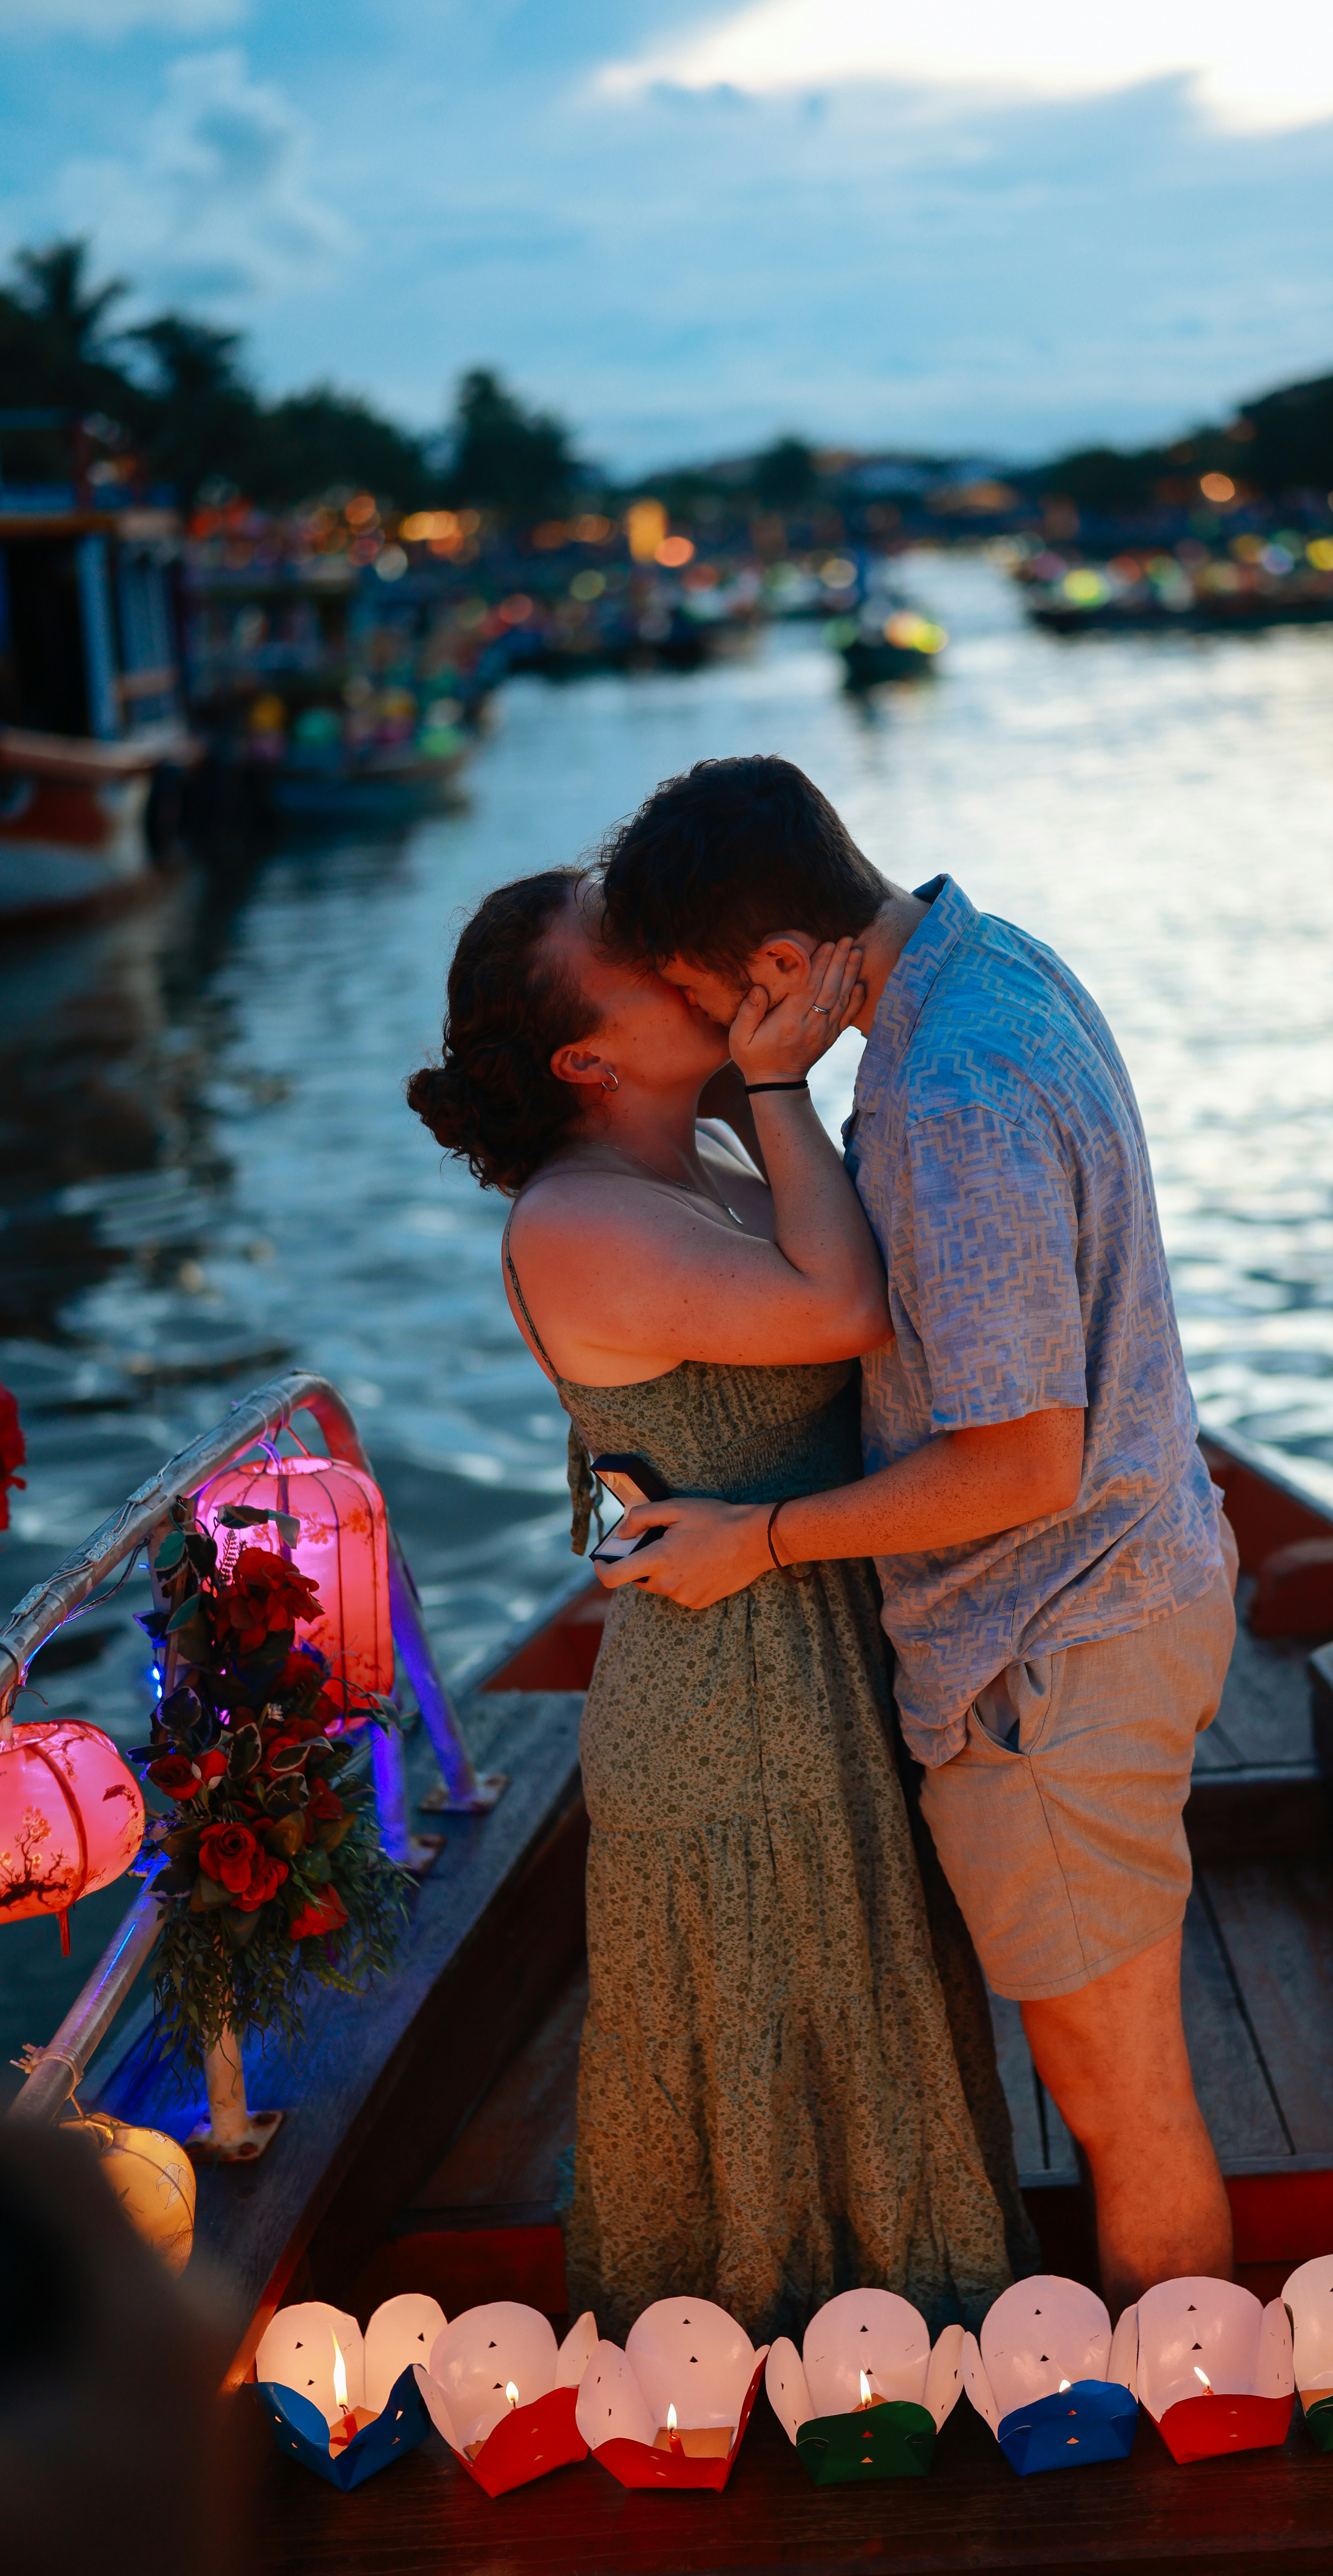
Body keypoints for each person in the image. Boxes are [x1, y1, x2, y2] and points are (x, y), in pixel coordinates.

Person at [595, 756, 1241, 2312]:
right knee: (1123, 2083)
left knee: (1127, 2108)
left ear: (773, 972)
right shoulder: (990, 956)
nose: (696, 1036)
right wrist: (789, 1089)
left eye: (703, 1000)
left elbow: (1020, 1461)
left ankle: (1193, 2465)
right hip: (1128, 1589)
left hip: (1052, 1650)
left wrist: (755, 1540)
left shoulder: (950, 1097)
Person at [406, 869, 1024, 2345]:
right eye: (631, 959)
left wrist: (769, 1091)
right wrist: (771, 1072)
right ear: (585, 1061)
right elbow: (843, 1312)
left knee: (870, 2010)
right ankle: (752, 2402)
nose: (676, 957)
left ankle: (911, 2378)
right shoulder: (579, 1222)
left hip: (820, 1629)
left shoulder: (699, 1154)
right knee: (773, 2023)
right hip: (729, 1691)